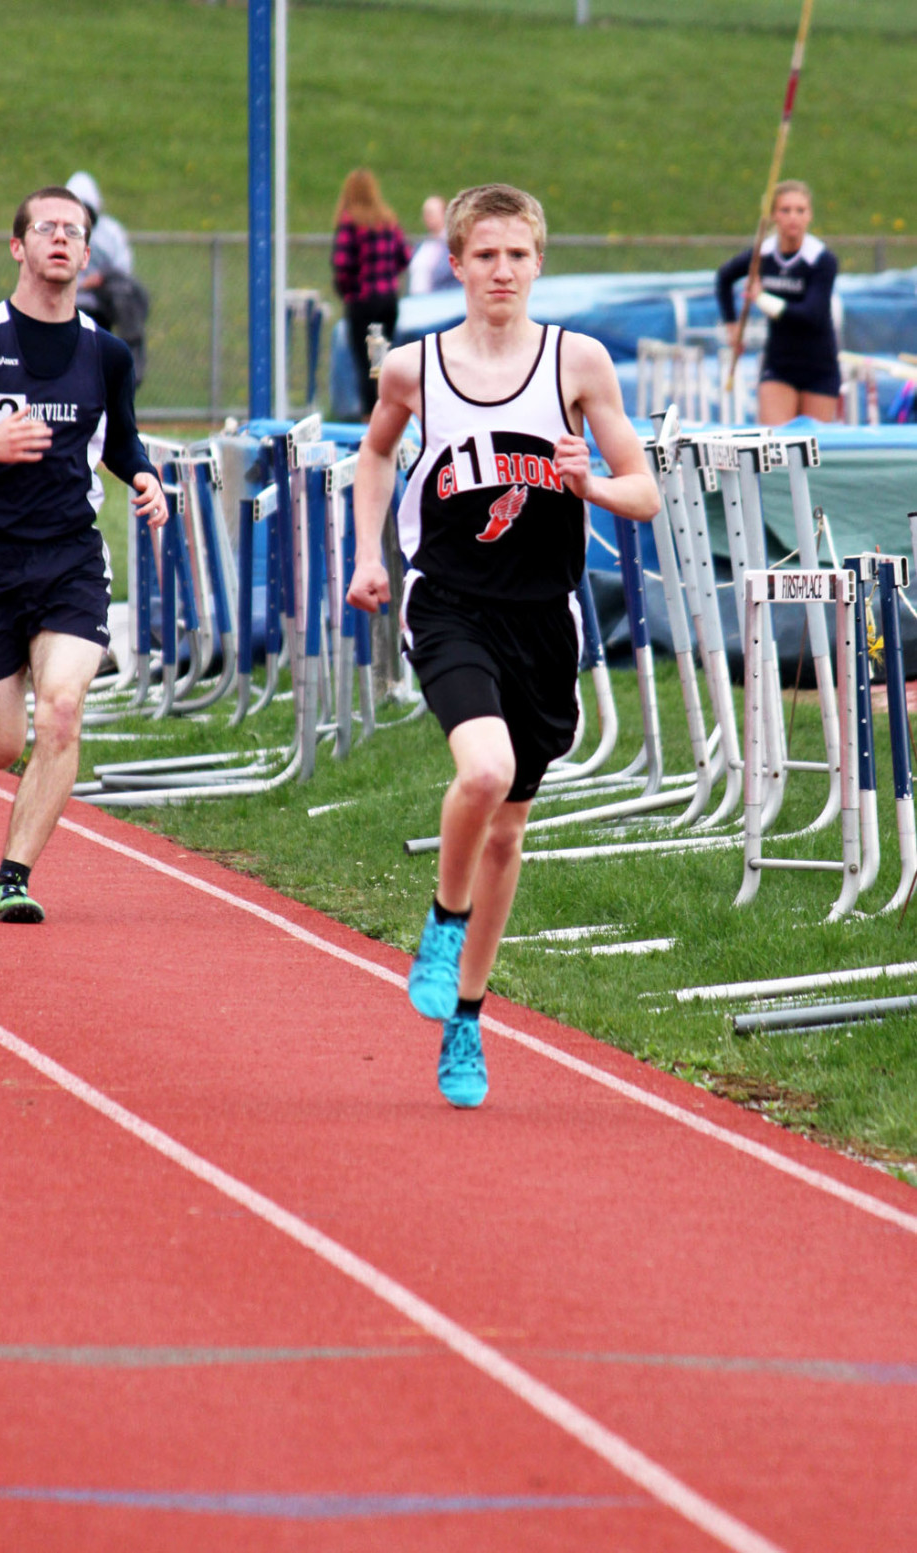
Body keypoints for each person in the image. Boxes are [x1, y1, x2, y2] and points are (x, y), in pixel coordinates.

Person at [345, 183, 660, 1109]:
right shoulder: (415, 368)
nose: (502, 271)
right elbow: (374, 452)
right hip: (449, 602)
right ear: (455, 263)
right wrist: (368, 554)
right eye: (485, 255)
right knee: (483, 771)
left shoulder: (578, 362)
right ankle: (444, 924)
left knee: (509, 831)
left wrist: (591, 485)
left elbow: (644, 491)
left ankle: (468, 1017)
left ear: (539, 262)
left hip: (543, 617)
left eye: (518, 254)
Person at [0, 184, 166, 924]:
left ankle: (12, 876)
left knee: (63, 711)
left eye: (74, 231)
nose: (61, 238)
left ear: (87, 252)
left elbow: (121, 441)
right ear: (19, 246)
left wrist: (145, 476)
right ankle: (6, 676)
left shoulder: (106, 354)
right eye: (46, 227)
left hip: (70, 561)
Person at [716, 179, 841, 425]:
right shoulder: (762, 255)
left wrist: (762, 298)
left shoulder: (821, 259)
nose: (793, 217)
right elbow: (724, 277)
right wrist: (732, 327)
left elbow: (810, 315)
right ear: (773, 215)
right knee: (776, 441)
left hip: (819, 367)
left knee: (814, 445)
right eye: (785, 210)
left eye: (800, 210)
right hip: (779, 366)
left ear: (809, 215)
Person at [331, 168, 411, 418]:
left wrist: (347, 290)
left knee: (365, 363)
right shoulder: (388, 220)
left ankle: (371, 418)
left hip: (362, 300)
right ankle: (389, 412)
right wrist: (388, 276)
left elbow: (343, 263)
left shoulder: (351, 222)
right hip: (388, 301)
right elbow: (404, 256)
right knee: (383, 360)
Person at [66, 170, 149, 384]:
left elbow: (122, 270)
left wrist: (101, 278)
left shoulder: (110, 232)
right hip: (67, 303)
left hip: (102, 303)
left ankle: (131, 364)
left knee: (126, 292)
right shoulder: (59, 231)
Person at [407, 195, 457, 296]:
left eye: (431, 213)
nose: (427, 217)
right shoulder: (421, 244)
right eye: (425, 213)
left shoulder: (453, 244)